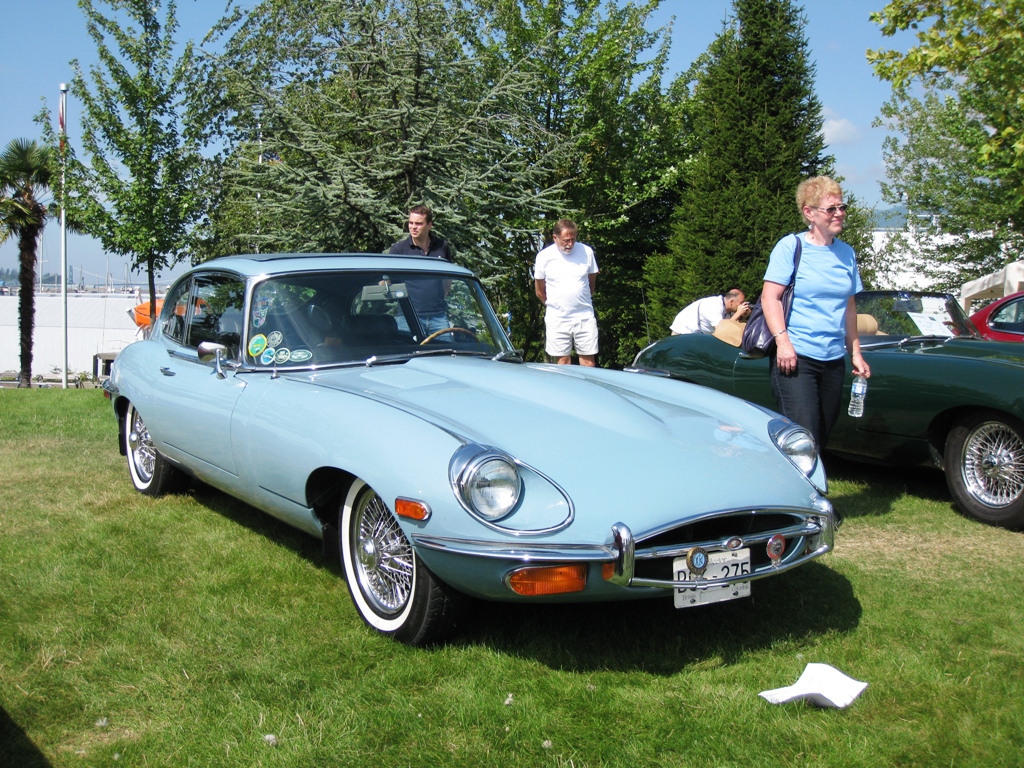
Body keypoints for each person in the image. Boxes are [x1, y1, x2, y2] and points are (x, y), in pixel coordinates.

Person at [760, 176, 870, 449]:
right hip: (797, 358)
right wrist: (783, 342)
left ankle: (805, 488)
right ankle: (804, 490)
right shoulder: (791, 247)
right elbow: (769, 297)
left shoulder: (847, 253)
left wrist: (855, 353)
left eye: (842, 207)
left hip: (833, 359)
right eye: (831, 209)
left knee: (821, 433)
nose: (839, 214)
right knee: (804, 437)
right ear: (809, 212)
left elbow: (849, 307)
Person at [534, 219, 599, 366]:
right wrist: (556, 306)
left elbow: (591, 284)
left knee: (588, 362)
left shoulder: (586, 251)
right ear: (555, 238)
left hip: (584, 317)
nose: (570, 244)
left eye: (573, 240)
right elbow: (539, 291)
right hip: (557, 318)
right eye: (565, 240)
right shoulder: (544, 257)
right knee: (563, 362)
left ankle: (587, 389)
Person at [389, 205, 453, 337]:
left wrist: (440, 297)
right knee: (408, 357)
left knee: (445, 356)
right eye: (411, 223)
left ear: (429, 225)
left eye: (418, 223)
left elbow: (448, 278)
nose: (413, 227)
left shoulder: (442, 246)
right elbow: (388, 282)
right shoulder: (398, 250)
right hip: (408, 318)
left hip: (438, 316)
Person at [670, 288, 750, 335]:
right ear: (732, 302)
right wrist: (738, 313)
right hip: (682, 333)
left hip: (696, 336)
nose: (742, 305)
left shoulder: (727, 310)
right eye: (741, 302)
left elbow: (731, 326)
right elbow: (722, 329)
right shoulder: (714, 305)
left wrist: (743, 317)